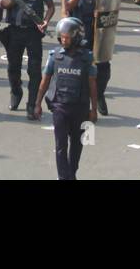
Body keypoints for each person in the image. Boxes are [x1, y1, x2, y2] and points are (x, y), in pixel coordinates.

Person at [34, 16, 97, 180]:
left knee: (77, 144)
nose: (64, 40)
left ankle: (71, 173)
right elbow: (45, 80)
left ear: (76, 37)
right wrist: (37, 103)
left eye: (68, 37)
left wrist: (94, 110)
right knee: (61, 145)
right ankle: (64, 177)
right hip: (59, 106)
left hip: (80, 108)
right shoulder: (54, 56)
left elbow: (92, 85)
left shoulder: (87, 58)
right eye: (62, 36)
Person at [0, 0, 53, 115]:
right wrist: (12, 0)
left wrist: (45, 21)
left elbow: (50, 6)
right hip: (15, 32)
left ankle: (32, 103)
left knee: (34, 70)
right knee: (13, 67)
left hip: (33, 33)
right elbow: (2, 3)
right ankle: (16, 92)